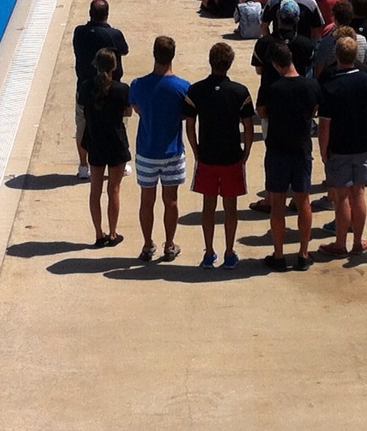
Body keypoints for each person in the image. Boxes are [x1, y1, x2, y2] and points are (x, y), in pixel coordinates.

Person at [186, 40, 255, 268]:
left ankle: (208, 253)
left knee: (208, 207)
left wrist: (196, 150)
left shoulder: (196, 90)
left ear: (210, 61)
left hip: (207, 156)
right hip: (231, 157)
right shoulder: (240, 92)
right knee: (230, 208)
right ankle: (229, 252)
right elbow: (248, 126)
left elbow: (189, 125)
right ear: (230, 64)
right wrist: (246, 152)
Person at [318, 34, 367, 258]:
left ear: (336, 55)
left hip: (339, 147)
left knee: (342, 198)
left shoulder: (331, 86)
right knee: (359, 194)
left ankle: (340, 244)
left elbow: (325, 125)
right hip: (362, 147)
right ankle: (357, 242)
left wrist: (323, 151)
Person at [256, 39, 319, 269]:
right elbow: (315, 109)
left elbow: (262, 112)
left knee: (278, 205)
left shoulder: (272, 88)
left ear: (275, 64)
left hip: (277, 150)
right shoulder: (311, 86)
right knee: (303, 201)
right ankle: (303, 254)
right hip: (301, 150)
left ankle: (279, 255)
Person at [129, 36, 193, 262]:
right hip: (172, 152)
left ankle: (148, 245)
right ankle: (169, 244)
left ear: (153, 54)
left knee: (147, 200)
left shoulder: (138, 84)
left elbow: (136, 107)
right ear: (173, 55)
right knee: (171, 201)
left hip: (146, 152)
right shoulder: (183, 87)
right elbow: (186, 114)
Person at [80, 47, 131, 246]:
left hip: (95, 141)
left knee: (95, 190)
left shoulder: (86, 87)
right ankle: (113, 233)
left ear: (95, 64)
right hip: (115, 142)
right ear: (114, 66)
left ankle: (98, 234)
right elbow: (128, 112)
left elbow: (83, 107)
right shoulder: (121, 89)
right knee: (114, 189)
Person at [71, 0, 129, 171]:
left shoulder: (79, 32)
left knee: (83, 126)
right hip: (112, 90)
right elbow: (124, 50)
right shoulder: (114, 35)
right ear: (107, 14)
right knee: (116, 126)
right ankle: (118, 161)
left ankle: (83, 166)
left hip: (85, 89)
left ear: (90, 13)